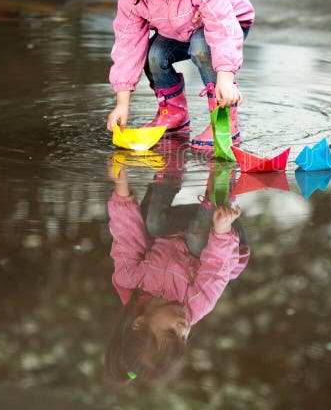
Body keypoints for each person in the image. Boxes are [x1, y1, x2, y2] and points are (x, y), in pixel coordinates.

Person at [105, 0, 255, 150]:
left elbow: (222, 28)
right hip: (180, 30)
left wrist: (225, 79)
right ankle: (174, 114)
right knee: (153, 54)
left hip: (229, 24)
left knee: (200, 46)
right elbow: (127, 46)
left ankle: (224, 121)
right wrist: (122, 103)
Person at [104, 157, 249, 384]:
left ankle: (169, 167)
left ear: (139, 322)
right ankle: (221, 181)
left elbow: (127, 236)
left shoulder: (129, 280)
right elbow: (217, 269)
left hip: (174, 225)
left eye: (171, 333)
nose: (183, 328)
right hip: (221, 233)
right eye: (183, 338)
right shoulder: (195, 305)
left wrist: (121, 186)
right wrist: (222, 231)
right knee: (196, 241)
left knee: (151, 225)